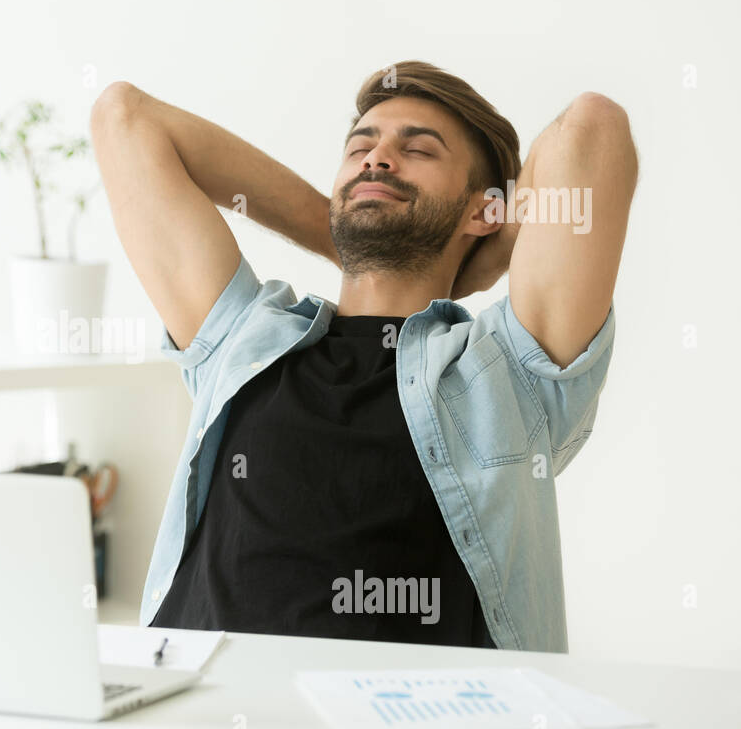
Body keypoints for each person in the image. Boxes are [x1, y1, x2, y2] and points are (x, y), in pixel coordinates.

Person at [89, 61, 638, 651]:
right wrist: (341, 225)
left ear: (487, 210)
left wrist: (488, 241)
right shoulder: (242, 338)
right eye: (361, 148)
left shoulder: (508, 369)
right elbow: (124, 118)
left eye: (418, 150)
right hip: (209, 715)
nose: (377, 159)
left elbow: (591, 131)